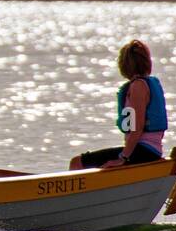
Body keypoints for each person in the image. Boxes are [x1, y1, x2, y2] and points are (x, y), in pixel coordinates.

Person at [69, 39, 168, 170]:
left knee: (77, 163)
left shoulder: (138, 86)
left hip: (144, 151)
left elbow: (137, 128)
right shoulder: (145, 84)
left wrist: (122, 158)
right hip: (149, 150)